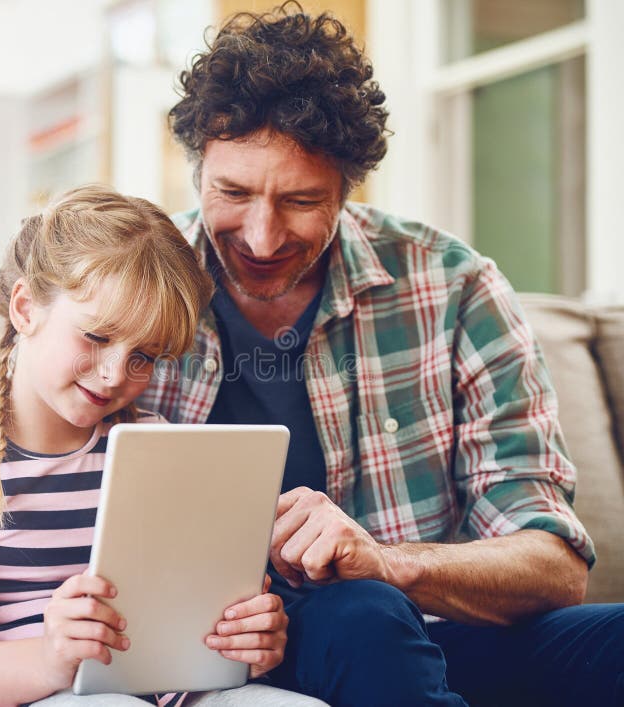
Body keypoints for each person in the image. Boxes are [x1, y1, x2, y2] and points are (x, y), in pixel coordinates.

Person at [134, 3, 624, 706]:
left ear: (350, 185)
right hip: (257, 645)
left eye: (302, 200)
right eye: (233, 192)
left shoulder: (454, 286)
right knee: (364, 614)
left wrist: (386, 561)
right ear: (197, 169)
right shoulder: (134, 293)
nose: (264, 237)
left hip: (436, 630)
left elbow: (554, 563)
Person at [0, 185, 319, 707]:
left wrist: (248, 640)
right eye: (98, 337)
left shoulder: (157, 447)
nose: (113, 376)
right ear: (25, 308)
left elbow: (194, 623)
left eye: (143, 357)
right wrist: (49, 657)